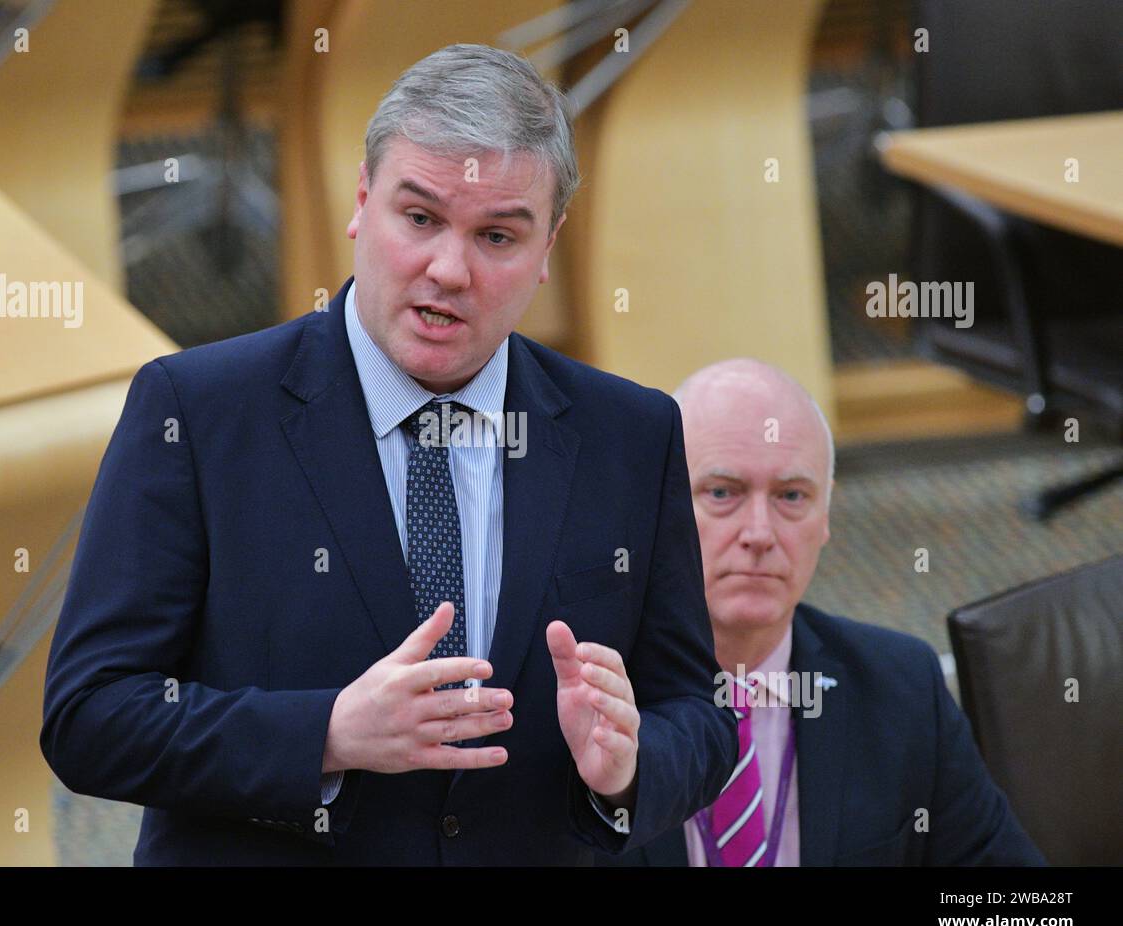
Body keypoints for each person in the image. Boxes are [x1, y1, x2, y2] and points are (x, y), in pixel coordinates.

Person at [40, 44, 734, 865]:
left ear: (549, 246)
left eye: (498, 236)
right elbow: (90, 717)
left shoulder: (631, 434)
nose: (449, 269)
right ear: (362, 202)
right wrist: (327, 733)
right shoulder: (198, 413)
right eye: (420, 218)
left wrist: (628, 765)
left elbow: (696, 712)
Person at [610, 358, 1044, 866]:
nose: (760, 533)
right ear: (657, 507)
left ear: (825, 518)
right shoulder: (588, 698)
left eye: (791, 496)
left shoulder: (901, 687)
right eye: (722, 493)